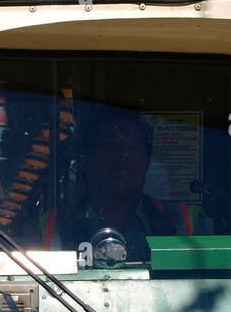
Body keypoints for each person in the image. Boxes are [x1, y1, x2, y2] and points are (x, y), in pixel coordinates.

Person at [58, 106, 209, 260]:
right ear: (85, 158)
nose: (123, 154)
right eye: (111, 144)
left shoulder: (186, 222)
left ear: (147, 162)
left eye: (135, 147)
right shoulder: (52, 227)